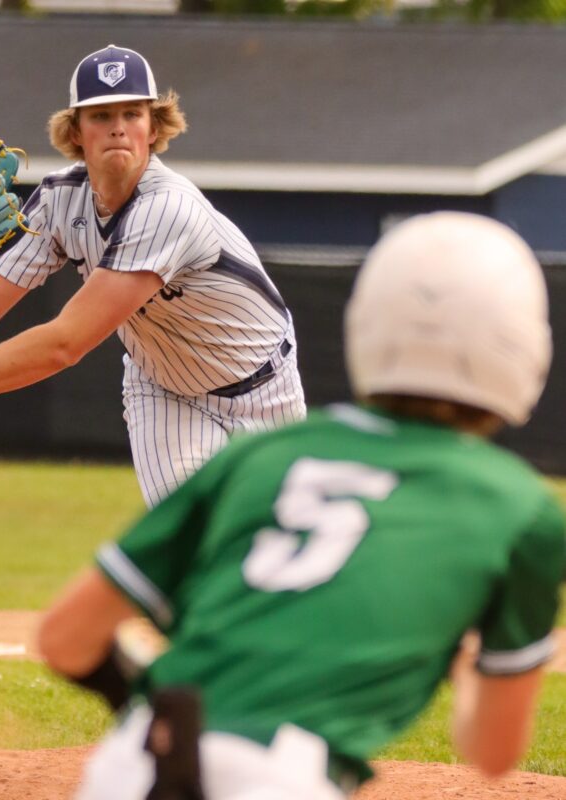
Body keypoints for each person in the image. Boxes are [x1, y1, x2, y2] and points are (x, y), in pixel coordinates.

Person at [37, 211, 565, 800]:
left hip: (133, 766)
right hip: (285, 780)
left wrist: (157, 701)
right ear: (525, 346)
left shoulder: (262, 455)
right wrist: (464, 667)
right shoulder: (523, 511)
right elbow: (492, 752)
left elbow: (65, 637)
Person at [0, 44, 306, 507]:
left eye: (132, 113)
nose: (118, 126)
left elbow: (65, 344)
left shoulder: (169, 208)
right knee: (182, 539)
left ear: (154, 127)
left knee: (278, 553)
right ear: (76, 132)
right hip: (164, 389)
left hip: (265, 390)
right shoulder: (61, 199)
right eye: (101, 115)